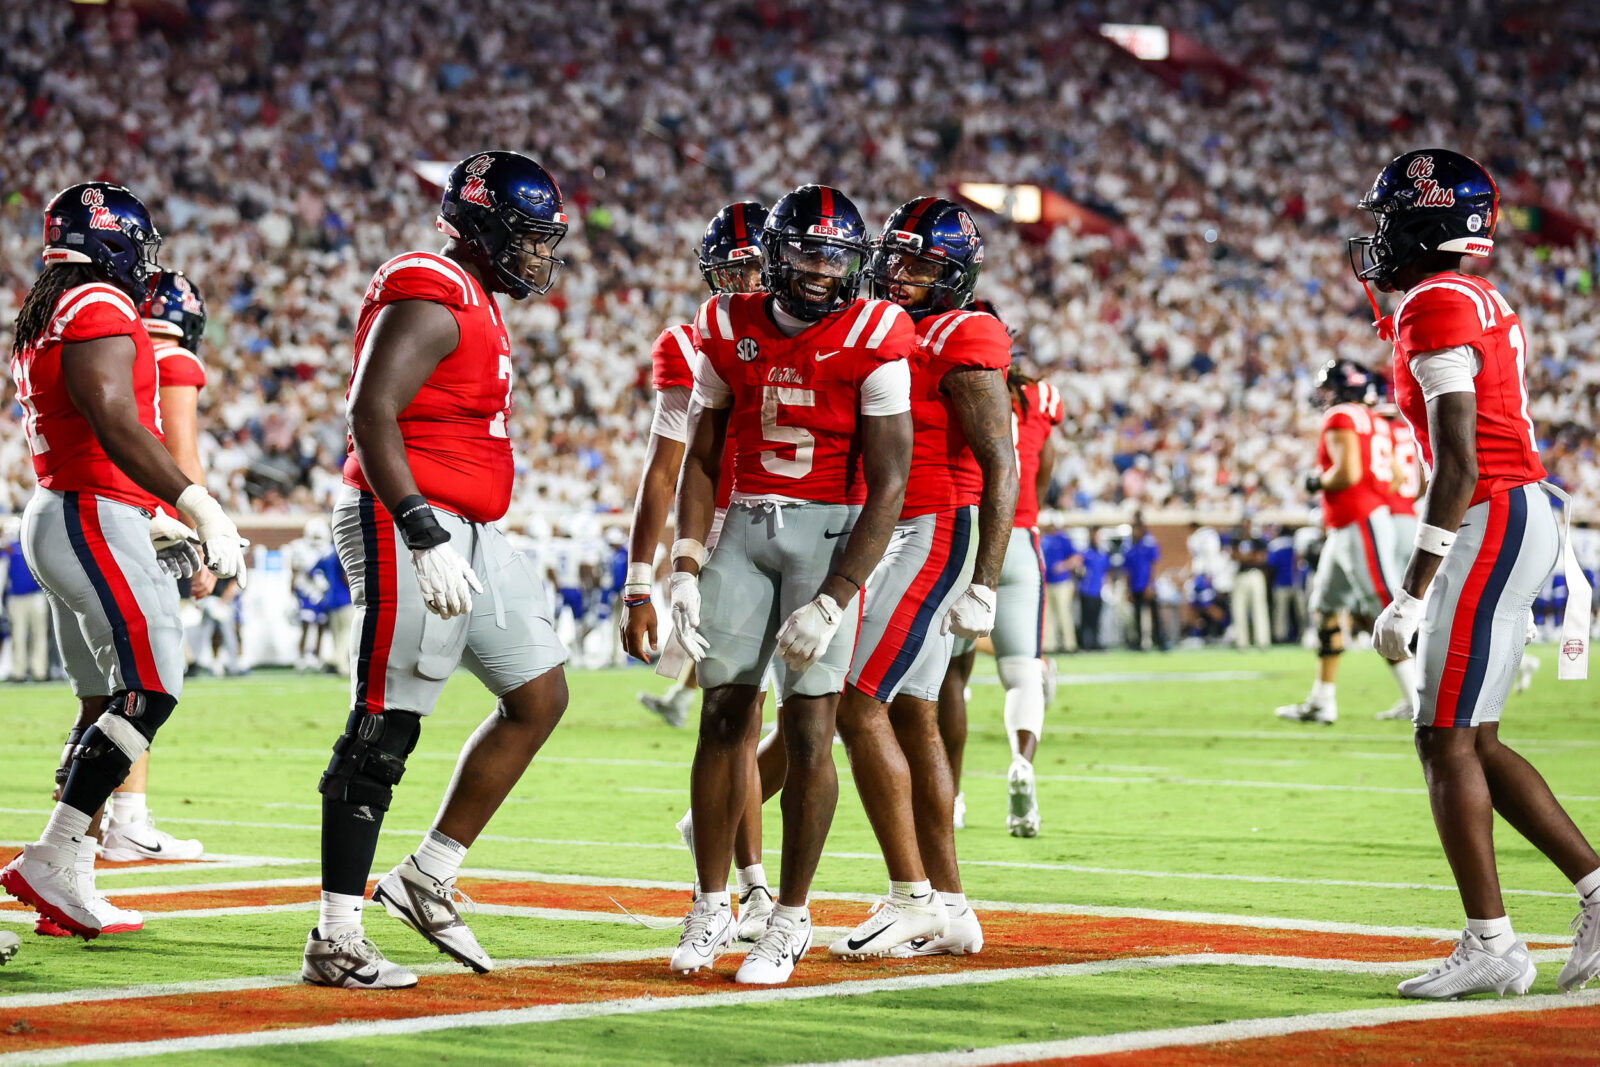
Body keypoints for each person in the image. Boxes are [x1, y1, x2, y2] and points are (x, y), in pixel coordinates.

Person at [303, 151, 572, 990]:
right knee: (385, 726)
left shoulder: (478, 300)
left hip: (470, 526)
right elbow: (369, 407)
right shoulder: (433, 283)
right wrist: (420, 527)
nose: (538, 254)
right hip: (408, 516)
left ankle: (426, 873)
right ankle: (335, 934)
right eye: (526, 236)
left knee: (539, 693)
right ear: (483, 226)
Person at [1355, 148, 1598, 998]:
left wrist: (1412, 587)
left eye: (1390, 218)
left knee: (1442, 736)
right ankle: (1594, 895)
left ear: (1424, 224)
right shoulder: (1468, 295)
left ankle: (1492, 941)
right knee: (1472, 737)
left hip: (1491, 513)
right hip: (1515, 509)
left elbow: (1457, 459)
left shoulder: (1435, 302)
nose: (1378, 236)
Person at [668, 184, 913, 985]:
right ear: (776, 253)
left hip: (830, 533)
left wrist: (838, 594)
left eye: (835, 255)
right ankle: (711, 901)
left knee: (810, 730)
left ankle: (791, 915)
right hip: (744, 524)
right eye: (807, 251)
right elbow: (701, 456)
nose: (819, 269)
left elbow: (890, 483)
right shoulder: (725, 323)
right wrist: (682, 561)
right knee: (723, 713)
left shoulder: (877, 331)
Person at [0, 182, 248, 939]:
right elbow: (112, 418)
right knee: (151, 684)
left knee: (112, 695)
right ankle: (59, 854)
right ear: (112, 243)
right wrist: (196, 503)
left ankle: (67, 866)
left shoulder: (55, 306)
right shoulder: (98, 305)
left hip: (76, 511)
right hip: (88, 512)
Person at [829, 197, 1016, 960]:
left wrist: (987, 582)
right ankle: (954, 904)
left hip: (934, 527)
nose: (901, 275)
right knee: (913, 711)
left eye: (921, 265)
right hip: (899, 527)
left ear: (956, 276)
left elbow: (1001, 462)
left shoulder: (964, 333)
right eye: (896, 259)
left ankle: (911, 894)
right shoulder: (897, 325)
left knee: (854, 700)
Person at [620, 201, 780, 941]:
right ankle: (742, 887)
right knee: (734, 716)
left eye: (753, 266)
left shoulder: (811, 329)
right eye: (730, 269)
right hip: (716, 538)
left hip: (801, 533)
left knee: (802, 717)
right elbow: (665, 469)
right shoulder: (693, 341)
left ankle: (740, 876)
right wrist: (641, 578)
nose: (742, 280)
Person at [1275, 359, 1417, 723]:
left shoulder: (1342, 415)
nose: (1323, 395)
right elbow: (1397, 477)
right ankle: (1323, 699)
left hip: (1358, 518)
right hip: (1359, 519)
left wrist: (1315, 481)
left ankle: (1424, 699)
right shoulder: (1377, 420)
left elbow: (1347, 472)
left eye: (1328, 387)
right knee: (1325, 606)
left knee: (1384, 606)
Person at [3, 517, 49, 682]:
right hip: (16, 598)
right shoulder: (7, 549)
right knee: (18, 636)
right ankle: (18, 672)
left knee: (39, 635)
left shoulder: (32, 546)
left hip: (36, 595)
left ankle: (40, 671)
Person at [1122, 515, 1163, 651]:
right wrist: (1127, 589)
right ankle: (1139, 642)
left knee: (1155, 616)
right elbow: (1127, 570)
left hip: (1147, 585)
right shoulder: (1129, 545)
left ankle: (1160, 641)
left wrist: (1151, 585)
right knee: (1137, 617)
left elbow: (1154, 566)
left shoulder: (1149, 543)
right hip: (1135, 586)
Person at [1231, 518, 1272, 649]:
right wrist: (1250, 557)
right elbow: (1234, 556)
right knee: (1238, 609)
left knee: (1259, 608)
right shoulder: (1236, 540)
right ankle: (1242, 642)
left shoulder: (1258, 541)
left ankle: (1262, 641)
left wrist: (1245, 557)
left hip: (1255, 574)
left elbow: (1261, 558)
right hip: (1241, 575)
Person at [1041, 527, 1078, 653]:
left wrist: (1063, 566)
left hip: (1062, 582)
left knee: (1063, 614)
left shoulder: (1063, 539)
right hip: (1047, 582)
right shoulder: (1044, 539)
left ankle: (1069, 644)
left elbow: (1077, 558)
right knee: (1047, 616)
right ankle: (1049, 645)